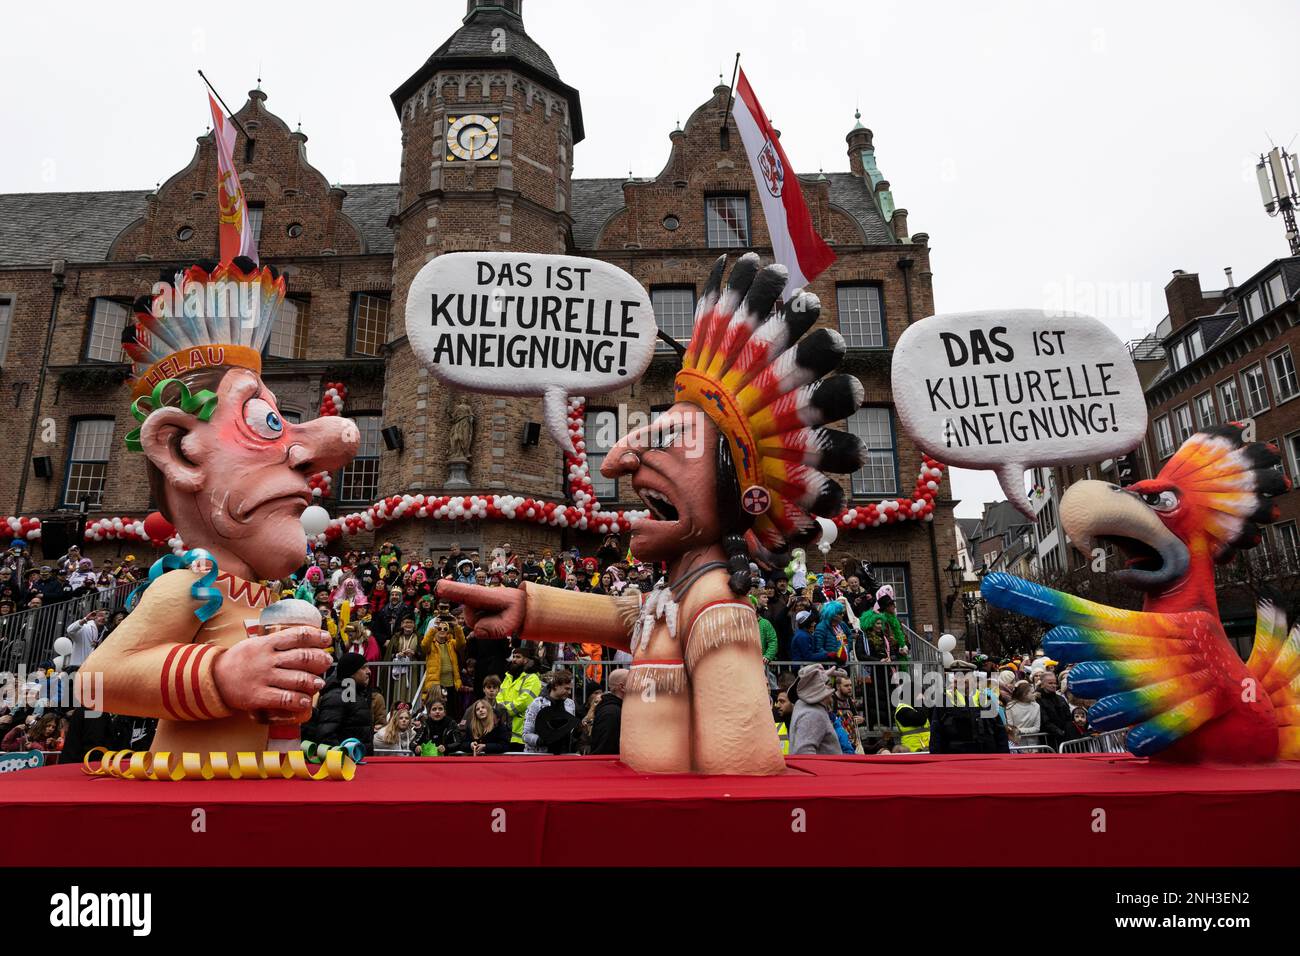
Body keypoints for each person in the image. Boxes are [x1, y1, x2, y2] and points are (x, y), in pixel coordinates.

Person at [302, 653, 375, 756]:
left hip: (357, 763)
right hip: (345, 766)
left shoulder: (355, 694)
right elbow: (326, 734)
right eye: (363, 668)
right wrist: (343, 758)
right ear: (351, 673)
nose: (369, 672)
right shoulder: (338, 696)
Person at [522, 668, 578, 754]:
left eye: (570, 689)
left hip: (563, 755)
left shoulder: (570, 704)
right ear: (555, 685)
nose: (569, 692)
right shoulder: (537, 703)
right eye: (566, 689)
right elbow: (526, 735)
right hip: (540, 757)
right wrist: (541, 740)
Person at [788, 664, 839, 755]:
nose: (832, 691)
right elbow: (804, 753)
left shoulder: (804, 706)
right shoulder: (813, 714)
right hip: (824, 768)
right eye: (829, 685)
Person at [498, 645, 542, 750]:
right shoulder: (509, 676)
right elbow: (499, 695)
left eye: (518, 657)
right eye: (513, 656)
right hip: (505, 732)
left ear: (526, 660)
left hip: (520, 735)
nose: (514, 660)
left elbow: (525, 701)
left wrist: (503, 711)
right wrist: (501, 709)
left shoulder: (532, 678)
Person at [588, 668, 627, 755]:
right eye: (633, 682)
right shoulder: (611, 713)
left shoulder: (614, 709)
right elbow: (605, 749)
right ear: (622, 687)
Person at [1035, 670, 1073, 750]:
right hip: (1049, 741)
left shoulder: (1061, 699)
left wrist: (1068, 732)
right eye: (1050, 683)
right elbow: (1044, 721)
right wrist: (1060, 732)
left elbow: (1069, 717)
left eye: (1055, 683)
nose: (1053, 685)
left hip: (1065, 739)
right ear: (1042, 684)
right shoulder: (1038, 700)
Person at [772, 688, 793, 755]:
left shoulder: (799, 722)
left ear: (793, 703)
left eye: (782, 701)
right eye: (777, 702)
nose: (777, 705)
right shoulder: (772, 719)